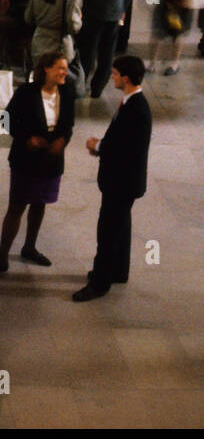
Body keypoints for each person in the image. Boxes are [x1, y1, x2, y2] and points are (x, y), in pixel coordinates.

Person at [0, 52, 76, 277]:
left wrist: (63, 140)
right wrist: (26, 139)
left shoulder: (68, 93)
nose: (65, 72)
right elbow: (5, 119)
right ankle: (2, 258)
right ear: (47, 69)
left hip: (51, 160)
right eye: (60, 68)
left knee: (40, 203)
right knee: (17, 207)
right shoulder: (27, 93)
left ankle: (29, 247)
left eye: (65, 68)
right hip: (26, 160)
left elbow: (69, 124)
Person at [74, 56, 152, 301]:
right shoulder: (133, 103)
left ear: (126, 78)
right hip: (126, 181)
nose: (112, 77)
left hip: (121, 183)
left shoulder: (135, 109)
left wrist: (97, 145)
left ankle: (100, 282)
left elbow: (123, 148)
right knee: (121, 226)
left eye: (115, 74)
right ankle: (118, 270)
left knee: (107, 231)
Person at [25, 0, 83, 67]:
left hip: (39, 44)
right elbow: (73, 27)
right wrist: (79, 18)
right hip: (60, 47)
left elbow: (28, 18)